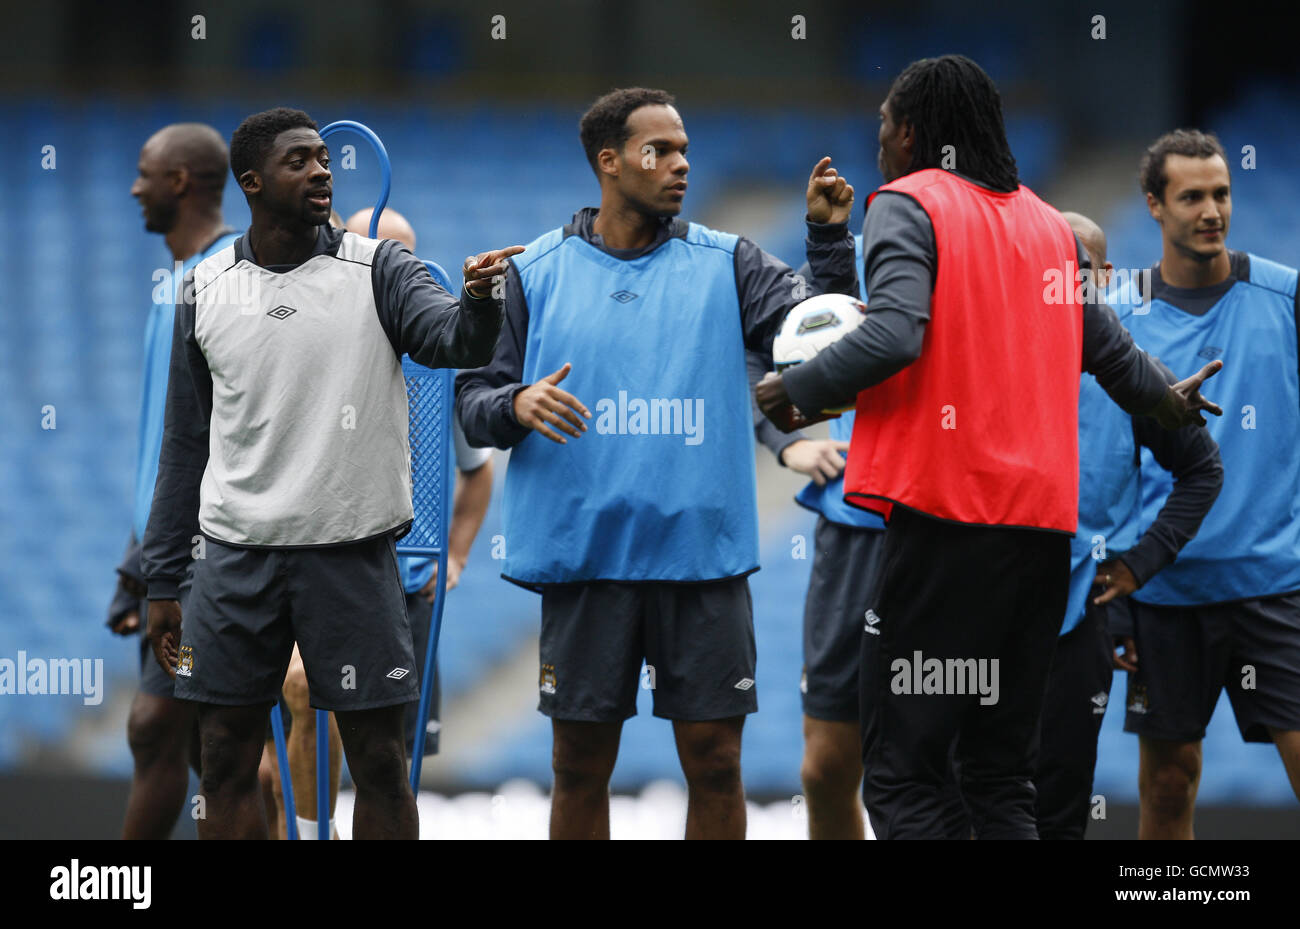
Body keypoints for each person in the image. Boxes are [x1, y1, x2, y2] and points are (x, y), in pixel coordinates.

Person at [756, 55, 1222, 839]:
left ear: (911, 132)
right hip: (1041, 542)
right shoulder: (1049, 225)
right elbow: (1114, 360)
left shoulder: (909, 203)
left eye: (881, 129)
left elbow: (898, 332)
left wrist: (791, 391)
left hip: (944, 531)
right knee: (1000, 776)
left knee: (904, 776)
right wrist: (1172, 403)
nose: (877, 147)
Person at [457, 86, 856, 839]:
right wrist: (516, 405)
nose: (681, 165)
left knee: (713, 762)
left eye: (685, 150)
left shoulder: (730, 262)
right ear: (609, 163)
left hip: (700, 561)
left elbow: (825, 341)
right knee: (578, 763)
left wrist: (828, 240)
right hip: (586, 564)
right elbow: (473, 401)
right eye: (660, 150)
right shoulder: (533, 271)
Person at [142, 106, 519, 839]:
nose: (322, 170)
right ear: (251, 182)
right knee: (221, 760)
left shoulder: (379, 267)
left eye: (325, 158)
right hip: (234, 560)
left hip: (351, 557)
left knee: (380, 760)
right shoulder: (206, 286)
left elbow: (451, 341)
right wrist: (163, 578)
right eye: (300, 160)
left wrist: (478, 300)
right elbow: (185, 444)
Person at [1119, 130, 1300, 838]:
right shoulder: (1118, 313)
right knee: (1167, 787)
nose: (1211, 210)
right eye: (1191, 196)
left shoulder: (1285, 298)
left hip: (1275, 587)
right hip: (1165, 594)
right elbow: (1102, 462)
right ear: (1154, 206)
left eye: (1220, 193)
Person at [1026, 211, 1224, 838]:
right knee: (962, 799)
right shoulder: (986, 353)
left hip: (1077, 624)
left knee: (1058, 807)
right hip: (979, 615)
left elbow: (1202, 471)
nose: (1061, 280)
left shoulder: (1135, 378)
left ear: (1105, 278)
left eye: (1077, 269)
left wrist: (1140, 563)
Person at [106, 123, 240, 839]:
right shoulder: (176, 283)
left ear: (181, 181)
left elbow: (209, 443)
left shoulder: (222, 283)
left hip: (205, 558)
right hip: (165, 559)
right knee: (198, 747)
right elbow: (166, 442)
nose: (135, 187)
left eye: (144, 172)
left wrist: (157, 562)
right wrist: (138, 561)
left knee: (163, 727)